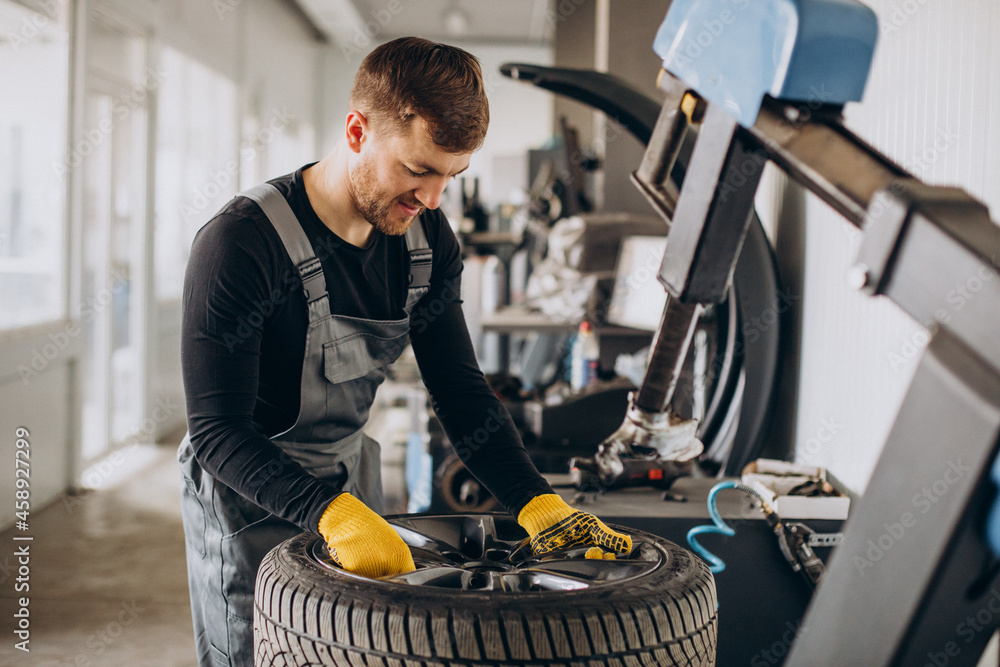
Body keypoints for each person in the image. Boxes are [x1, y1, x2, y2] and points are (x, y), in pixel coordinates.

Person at [177, 36, 631, 667]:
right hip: (248, 495)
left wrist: (536, 501)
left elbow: (461, 392)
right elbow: (215, 431)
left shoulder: (426, 242)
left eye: (452, 176)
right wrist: (326, 513)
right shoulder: (241, 244)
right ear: (357, 130)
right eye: (418, 170)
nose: (433, 198)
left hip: (349, 480)